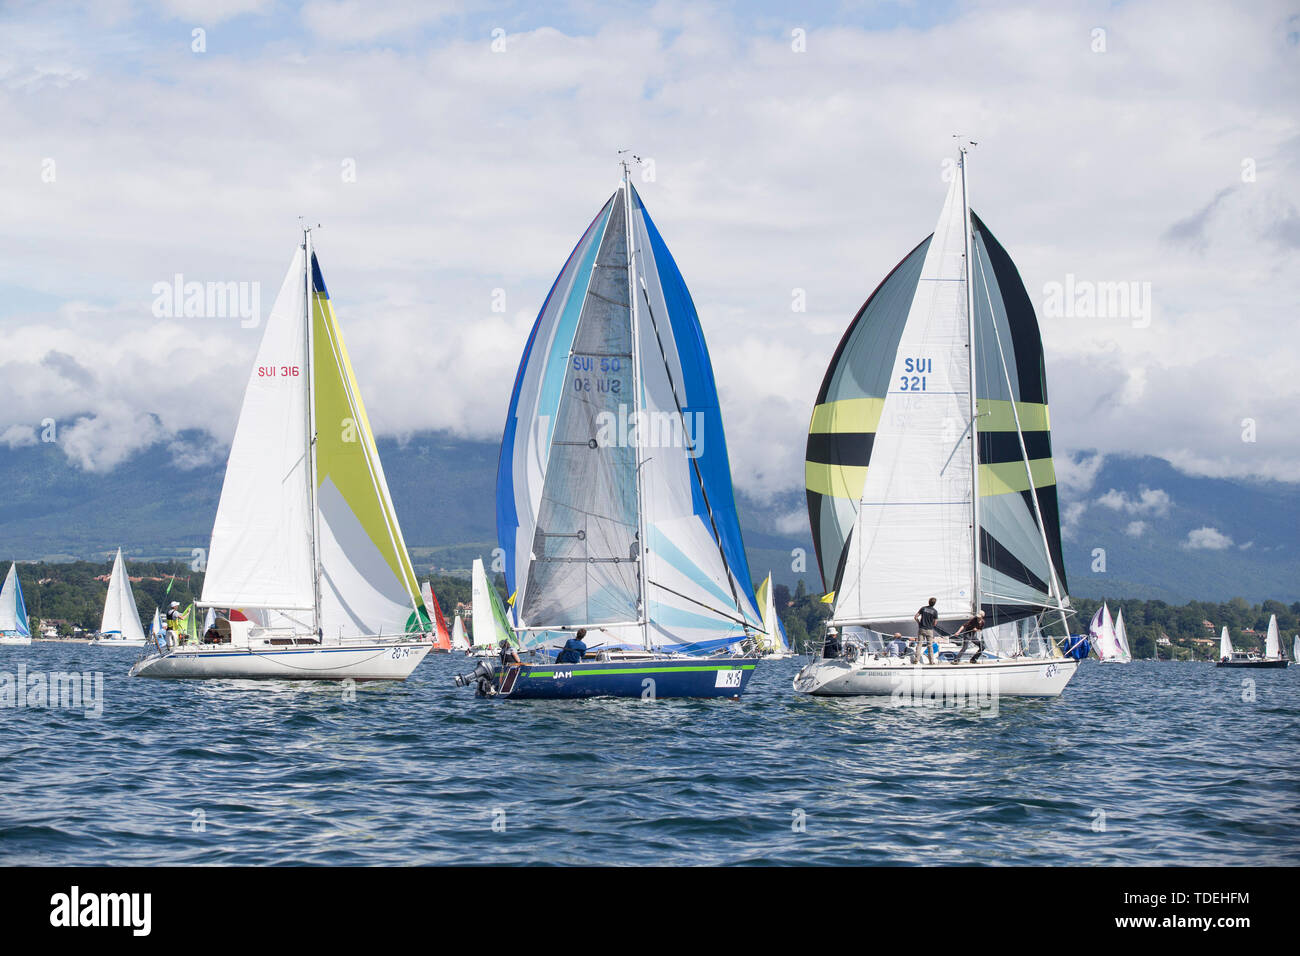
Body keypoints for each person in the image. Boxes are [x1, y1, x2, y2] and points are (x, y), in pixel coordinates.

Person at [913, 598, 938, 664]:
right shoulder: (935, 611)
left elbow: (915, 617)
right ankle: (931, 661)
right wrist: (931, 626)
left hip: (921, 628)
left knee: (919, 644)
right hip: (929, 629)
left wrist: (919, 623)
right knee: (930, 646)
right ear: (934, 603)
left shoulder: (923, 608)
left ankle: (916, 660)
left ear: (928, 602)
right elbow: (935, 622)